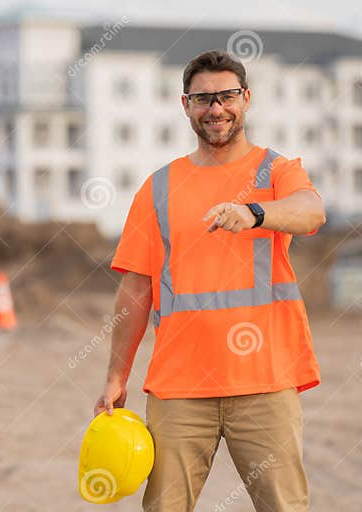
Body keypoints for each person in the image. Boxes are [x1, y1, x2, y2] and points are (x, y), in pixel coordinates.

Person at [94, 49, 326, 512]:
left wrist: (254, 212)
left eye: (226, 96)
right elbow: (136, 290)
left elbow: (311, 211)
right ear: (185, 106)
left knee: (284, 507)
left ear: (246, 99)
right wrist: (116, 376)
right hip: (179, 388)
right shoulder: (158, 187)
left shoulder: (276, 171)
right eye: (202, 99)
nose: (215, 109)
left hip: (265, 381)